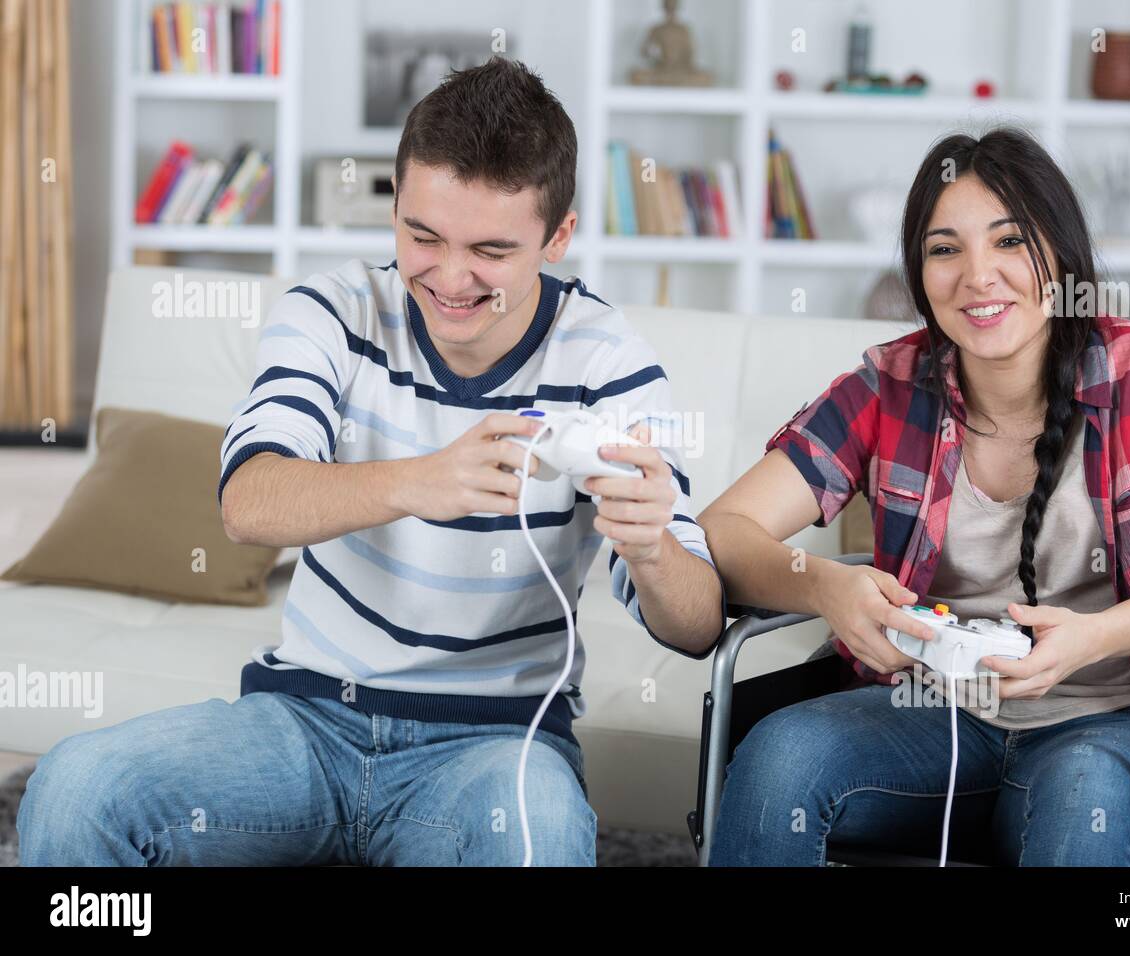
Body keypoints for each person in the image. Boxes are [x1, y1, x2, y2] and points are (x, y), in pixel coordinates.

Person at [18, 57, 723, 867]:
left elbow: (698, 627)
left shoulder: (608, 361)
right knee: (77, 787)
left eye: (491, 250)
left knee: (541, 836)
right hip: (303, 725)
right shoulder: (330, 313)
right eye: (423, 236)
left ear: (558, 236)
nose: (450, 278)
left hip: (493, 748)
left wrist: (650, 546)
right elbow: (249, 503)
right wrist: (422, 479)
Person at [698, 128, 1130, 867]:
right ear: (919, 272)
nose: (978, 276)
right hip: (929, 715)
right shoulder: (888, 387)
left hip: (1108, 717)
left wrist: (1093, 638)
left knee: (1084, 812)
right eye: (945, 249)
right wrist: (827, 588)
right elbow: (725, 530)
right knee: (780, 758)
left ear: (1060, 255)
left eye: (1009, 241)